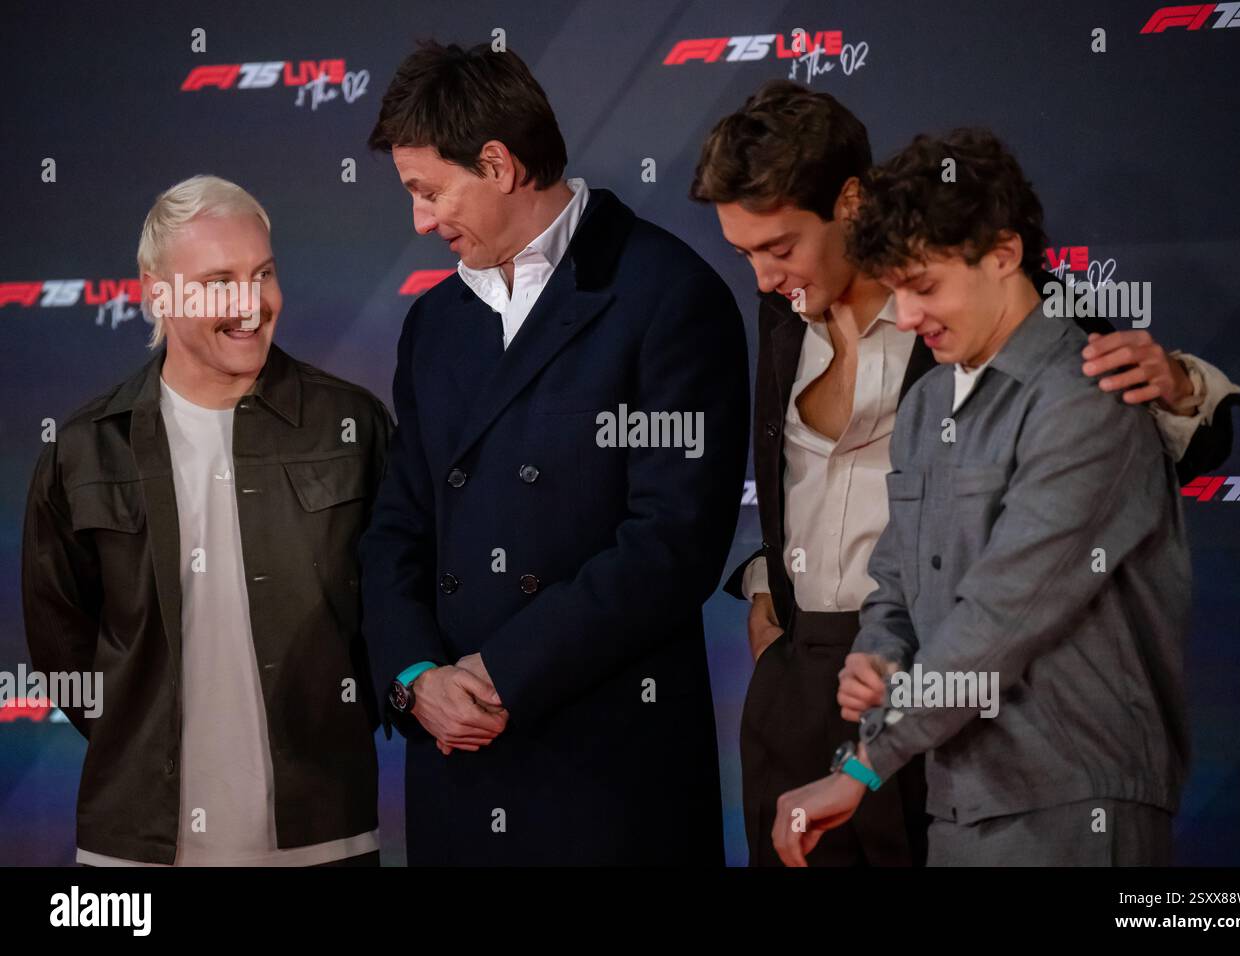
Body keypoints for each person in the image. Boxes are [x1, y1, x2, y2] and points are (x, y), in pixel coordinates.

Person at [691, 80, 1240, 866]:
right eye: (744, 253)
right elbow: (844, 506)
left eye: (779, 248)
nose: (763, 278)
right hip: (826, 676)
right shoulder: (792, 309)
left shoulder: (1034, 332)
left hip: (997, 732)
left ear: (849, 203)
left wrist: (1186, 388)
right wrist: (772, 581)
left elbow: (1008, 600)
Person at [361, 39, 749, 865]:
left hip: (610, 774)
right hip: (459, 767)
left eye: (429, 192)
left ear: (497, 164)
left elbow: (670, 542)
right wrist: (416, 676)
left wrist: (502, 671)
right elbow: (398, 527)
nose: (421, 222)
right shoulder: (433, 324)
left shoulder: (665, 295)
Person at [22, 175, 390, 866]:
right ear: (155, 291)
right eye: (220, 280)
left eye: (264, 274)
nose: (251, 304)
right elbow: (61, 642)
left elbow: (395, 601)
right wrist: (137, 734)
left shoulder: (354, 425)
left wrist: (335, 724)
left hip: (324, 834)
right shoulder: (84, 447)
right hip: (135, 845)